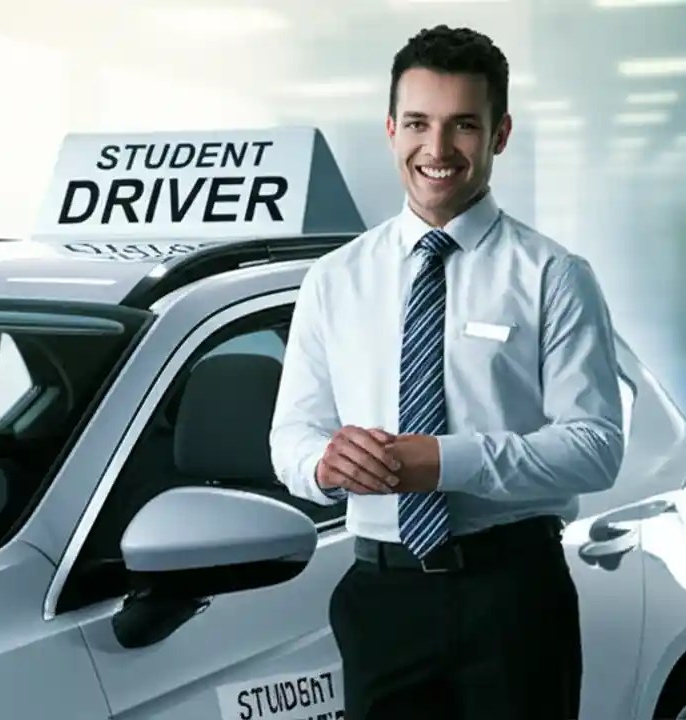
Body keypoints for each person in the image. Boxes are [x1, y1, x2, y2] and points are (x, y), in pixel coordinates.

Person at [268, 24, 626, 720]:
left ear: (499, 134)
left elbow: (596, 446)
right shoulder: (334, 280)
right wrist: (327, 464)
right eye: (418, 124)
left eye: (463, 125)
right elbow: (292, 439)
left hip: (513, 595)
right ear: (391, 129)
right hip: (380, 596)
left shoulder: (554, 276)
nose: (436, 150)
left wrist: (440, 462)